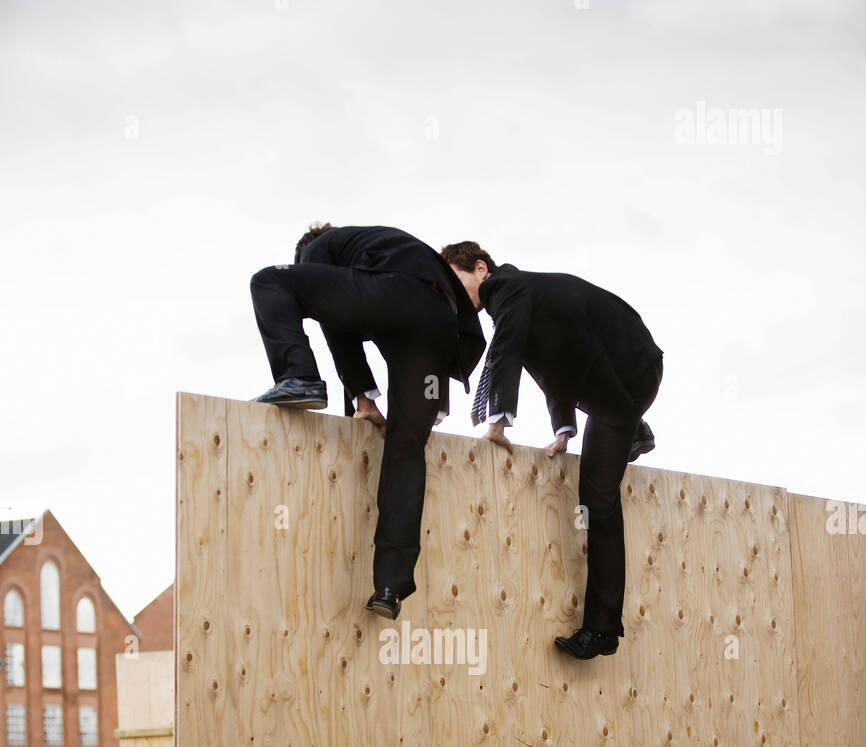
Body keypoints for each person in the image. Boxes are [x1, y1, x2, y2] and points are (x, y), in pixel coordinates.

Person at [442, 240, 663, 660]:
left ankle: (601, 632)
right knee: (601, 466)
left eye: (457, 281)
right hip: (621, 376)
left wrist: (499, 420)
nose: (456, 295)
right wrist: (563, 429)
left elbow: (508, 348)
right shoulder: (525, 299)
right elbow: (549, 366)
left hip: (628, 369)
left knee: (597, 497)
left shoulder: (508, 289)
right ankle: (634, 432)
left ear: (481, 268)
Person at [250, 224, 484, 618]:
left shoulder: (318, 249)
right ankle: (391, 584)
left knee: (269, 282)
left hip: (396, 294)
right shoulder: (379, 245)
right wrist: (426, 402)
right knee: (406, 450)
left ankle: (298, 374)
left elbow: (335, 324)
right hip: (441, 329)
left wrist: (362, 394)